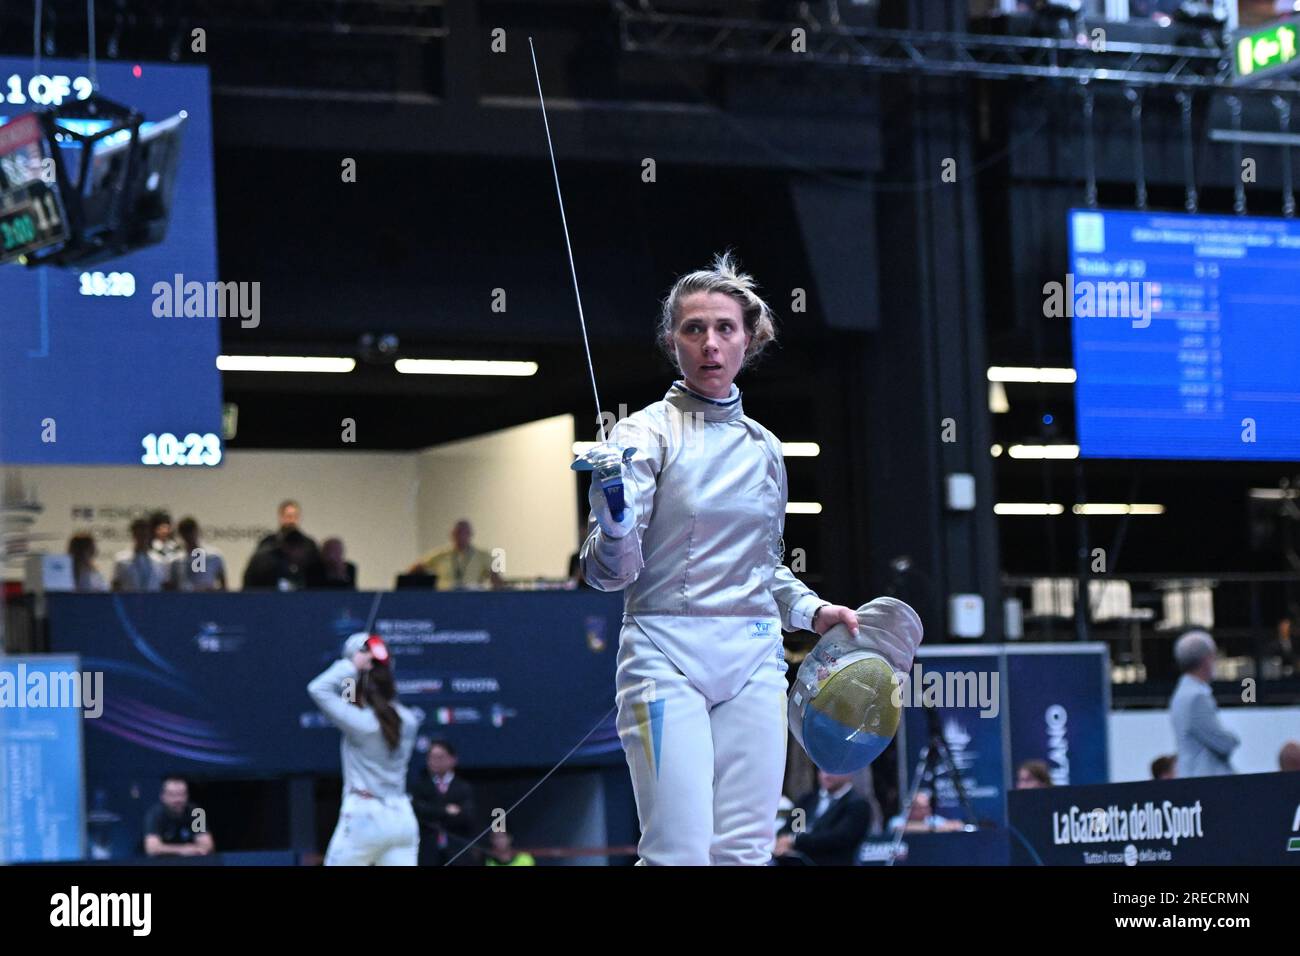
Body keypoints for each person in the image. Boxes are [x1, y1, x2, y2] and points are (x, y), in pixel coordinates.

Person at [579, 252, 861, 866]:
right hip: (663, 651)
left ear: (749, 339)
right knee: (677, 850)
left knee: (746, 850)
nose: (710, 343)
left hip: (754, 656)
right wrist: (615, 519)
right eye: (694, 329)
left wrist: (813, 612)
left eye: (724, 329)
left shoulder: (765, 448)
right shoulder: (639, 436)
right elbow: (608, 574)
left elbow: (764, 568)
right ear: (672, 341)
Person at [308, 633, 422, 866]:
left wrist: (352, 665)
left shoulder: (362, 724)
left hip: (365, 816)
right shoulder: (409, 720)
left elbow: (318, 689)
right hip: (402, 817)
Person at [1169, 630, 1240, 777]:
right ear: (1206, 660)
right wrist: (1234, 738)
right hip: (1206, 781)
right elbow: (1223, 743)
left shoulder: (1181, 694)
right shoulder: (1196, 697)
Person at [774, 769, 873, 866]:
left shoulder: (857, 804)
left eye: (831, 770)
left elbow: (838, 838)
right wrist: (783, 840)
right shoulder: (807, 800)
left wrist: (794, 841)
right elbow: (789, 827)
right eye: (822, 769)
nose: (826, 775)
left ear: (848, 773)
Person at [410, 739, 479, 866]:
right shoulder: (420, 787)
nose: (434, 762)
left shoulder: (463, 787)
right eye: (431, 757)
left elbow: (467, 816)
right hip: (428, 854)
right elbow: (418, 811)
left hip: (458, 853)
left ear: (453, 760)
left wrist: (433, 812)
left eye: (440, 757)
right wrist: (445, 810)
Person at [408, 520, 502, 590]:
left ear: (470, 534)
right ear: (452, 535)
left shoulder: (483, 556)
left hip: (472, 598)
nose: (460, 536)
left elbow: (496, 579)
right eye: (457, 533)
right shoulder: (441, 554)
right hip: (444, 597)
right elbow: (415, 568)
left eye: (464, 533)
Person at [142, 777, 214, 857]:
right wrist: (183, 850)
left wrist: (193, 850)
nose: (177, 799)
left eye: (181, 794)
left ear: (187, 795)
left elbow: (207, 845)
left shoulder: (196, 812)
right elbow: (152, 849)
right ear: (163, 797)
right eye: (172, 795)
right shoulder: (155, 814)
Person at [168, 517, 227, 591]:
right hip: (184, 599)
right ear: (181, 534)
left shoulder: (213, 556)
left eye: (191, 531)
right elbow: (172, 586)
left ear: (197, 531)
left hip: (208, 599)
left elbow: (223, 584)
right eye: (185, 532)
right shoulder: (176, 561)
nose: (189, 536)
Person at [112, 518, 169, 592]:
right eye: (139, 534)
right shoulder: (121, 560)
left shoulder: (159, 560)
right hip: (129, 602)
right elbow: (116, 585)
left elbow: (164, 586)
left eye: (144, 534)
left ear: (150, 535)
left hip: (154, 602)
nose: (142, 538)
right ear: (133, 534)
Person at [885, 790, 962, 834]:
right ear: (912, 808)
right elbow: (900, 829)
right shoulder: (897, 820)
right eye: (922, 808)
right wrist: (932, 829)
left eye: (927, 807)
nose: (927, 810)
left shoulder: (931, 819)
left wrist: (947, 826)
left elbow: (957, 825)